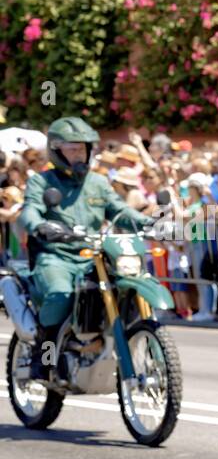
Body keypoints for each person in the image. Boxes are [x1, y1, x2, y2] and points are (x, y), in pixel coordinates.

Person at [19, 116, 151, 381]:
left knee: (128, 284)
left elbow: (119, 210)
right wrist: (40, 226)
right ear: (56, 150)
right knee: (60, 294)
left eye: (83, 148)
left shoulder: (98, 182)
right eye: (72, 148)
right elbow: (30, 210)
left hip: (94, 255)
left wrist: (149, 222)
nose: (79, 153)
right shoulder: (42, 182)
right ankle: (42, 357)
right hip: (57, 256)